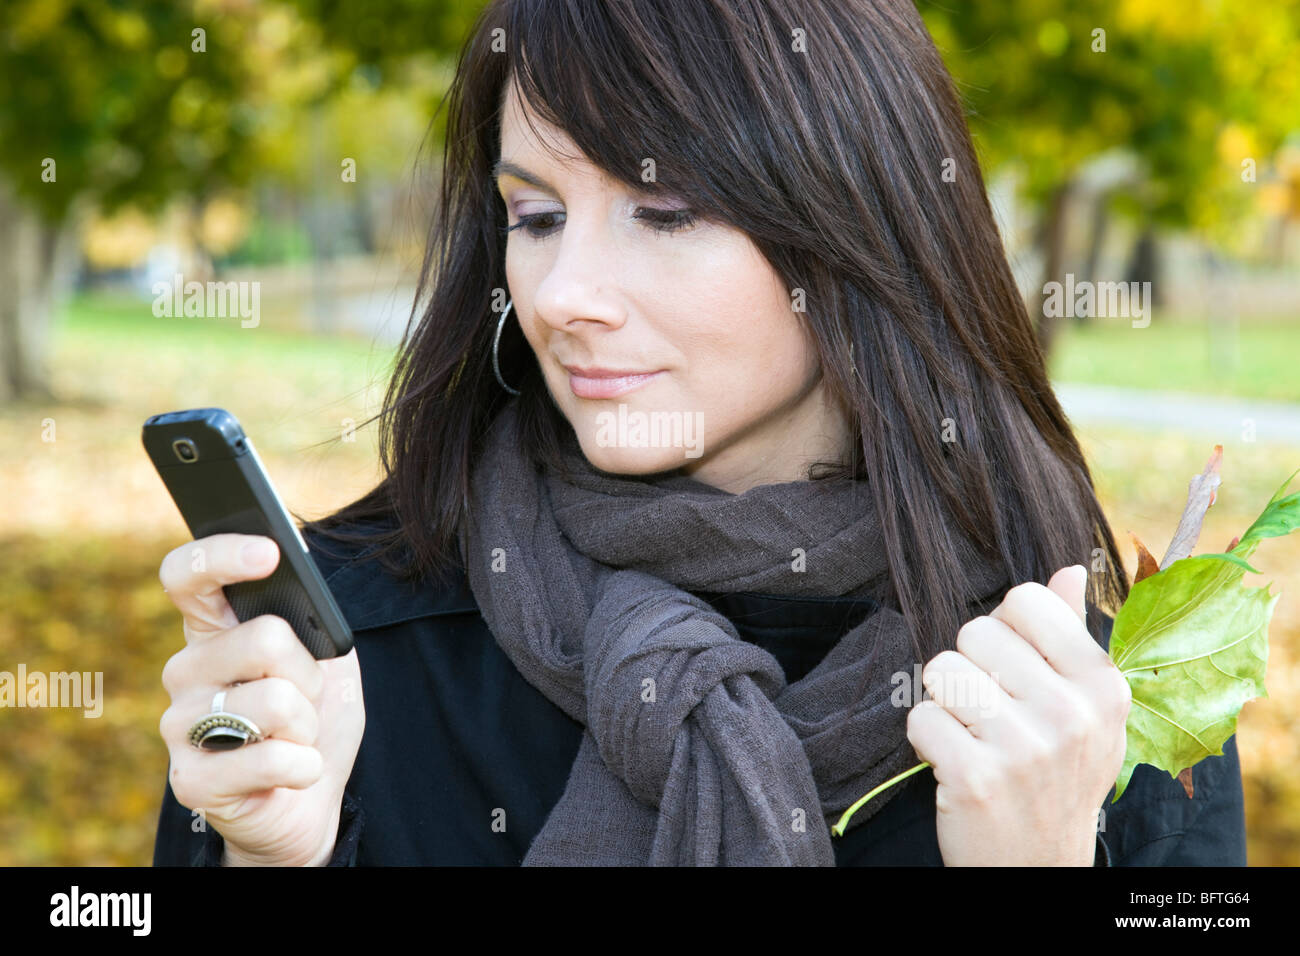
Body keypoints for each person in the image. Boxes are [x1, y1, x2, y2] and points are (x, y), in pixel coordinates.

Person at [152, 0, 1246, 866]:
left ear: (855, 222)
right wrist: (274, 860)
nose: (562, 291)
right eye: (534, 217)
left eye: (664, 210)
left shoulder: (1081, 699)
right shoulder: (342, 649)